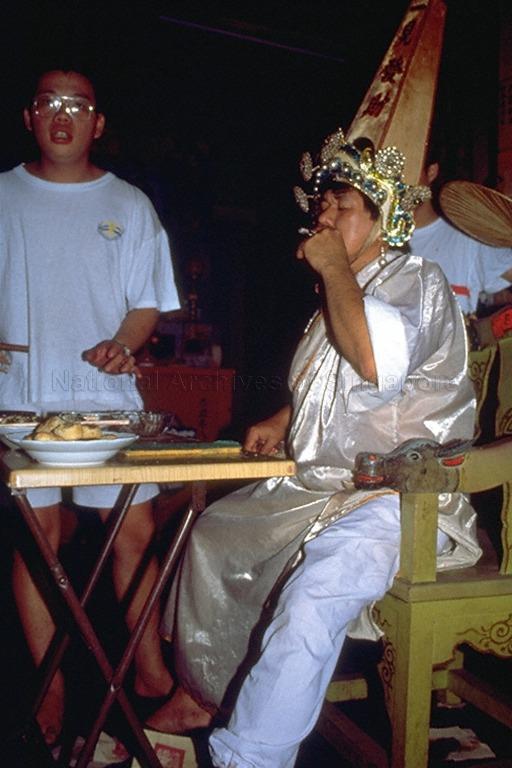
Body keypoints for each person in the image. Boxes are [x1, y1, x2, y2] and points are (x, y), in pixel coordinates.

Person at [145, 129, 482, 768]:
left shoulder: (415, 278)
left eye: (342, 208)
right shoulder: (350, 286)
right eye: (322, 207)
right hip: (330, 483)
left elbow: (375, 363)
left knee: (313, 597)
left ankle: (249, 756)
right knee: (216, 534)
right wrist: (285, 415)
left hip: (401, 496)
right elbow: (337, 385)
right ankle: (203, 693)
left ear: (384, 218)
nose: (323, 220)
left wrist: (331, 267)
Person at [0, 66, 180, 744]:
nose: (62, 114)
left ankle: (153, 678)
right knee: (38, 540)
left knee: (133, 534)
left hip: (104, 402)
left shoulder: (129, 204)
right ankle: (51, 692)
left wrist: (121, 344)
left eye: (77, 105)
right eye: (48, 102)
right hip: (18, 400)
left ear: (98, 123)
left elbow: (146, 301)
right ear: (29, 116)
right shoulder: (3, 195)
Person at [410, 155, 512, 315]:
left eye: (409, 168)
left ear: (431, 172)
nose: (399, 181)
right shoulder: (372, 240)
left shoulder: (468, 236)